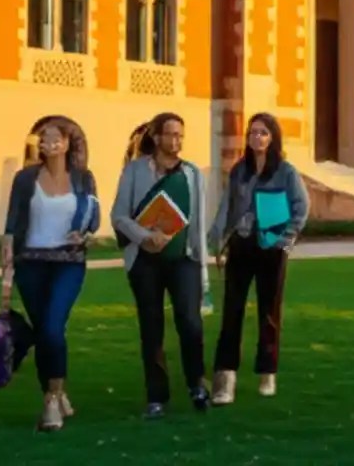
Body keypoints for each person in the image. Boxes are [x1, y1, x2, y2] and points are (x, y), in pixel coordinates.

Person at [0, 117, 99, 431]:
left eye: (55, 136)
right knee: (45, 333)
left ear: (68, 143)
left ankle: (51, 402)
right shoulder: (25, 178)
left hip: (68, 263)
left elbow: (92, 217)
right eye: (44, 136)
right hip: (30, 264)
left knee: (53, 328)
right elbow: (12, 222)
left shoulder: (84, 178)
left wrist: (85, 235)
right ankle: (55, 392)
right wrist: (6, 263)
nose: (48, 141)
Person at [111, 113, 210, 419]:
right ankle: (157, 396)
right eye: (170, 134)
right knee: (151, 328)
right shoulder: (134, 171)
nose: (176, 141)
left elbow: (197, 224)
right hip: (145, 262)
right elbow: (118, 216)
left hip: (184, 260)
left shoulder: (193, 174)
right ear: (155, 137)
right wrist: (144, 237)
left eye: (180, 134)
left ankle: (197, 384)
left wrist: (202, 267)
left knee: (190, 323)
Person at [210, 113, 310, 405]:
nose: (257, 138)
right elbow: (227, 206)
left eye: (263, 133)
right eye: (253, 133)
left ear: (273, 138)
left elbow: (301, 207)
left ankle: (267, 372)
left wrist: (285, 241)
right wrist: (218, 239)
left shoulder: (286, 172)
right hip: (242, 245)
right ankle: (225, 376)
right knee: (232, 311)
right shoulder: (239, 170)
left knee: (269, 312)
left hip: (272, 248)